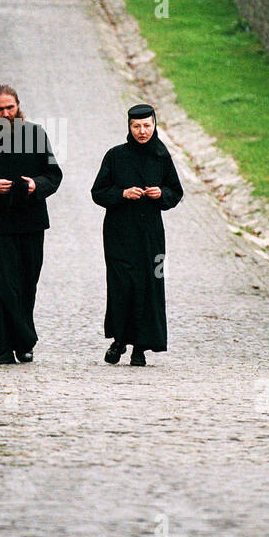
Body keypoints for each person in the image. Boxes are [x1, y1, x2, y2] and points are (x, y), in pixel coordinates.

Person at [0, 84, 63, 365]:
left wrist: (35, 185)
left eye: (10, 108)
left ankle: (24, 344)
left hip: (31, 222)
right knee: (2, 285)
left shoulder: (36, 135)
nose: (5, 113)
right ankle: (5, 346)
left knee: (27, 283)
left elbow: (53, 175)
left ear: (18, 106)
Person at [90, 103, 183, 366]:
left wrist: (160, 193)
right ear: (129, 127)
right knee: (121, 286)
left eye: (147, 126)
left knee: (149, 285)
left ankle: (140, 348)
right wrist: (122, 193)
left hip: (151, 235)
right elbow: (98, 192)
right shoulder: (115, 156)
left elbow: (176, 192)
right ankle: (119, 340)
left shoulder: (162, 156)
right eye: (137, 126)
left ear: (155, 126)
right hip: (119, 234)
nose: (142, 131)